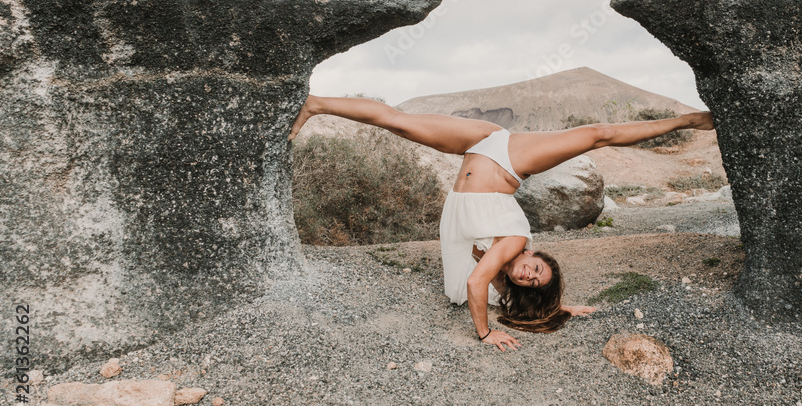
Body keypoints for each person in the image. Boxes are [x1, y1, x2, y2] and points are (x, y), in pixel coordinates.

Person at [288, 95, 715, 352]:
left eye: (531, 281)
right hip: (510, 160)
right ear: (533, 252)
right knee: (597, 135)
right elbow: (478, 284)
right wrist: (483, 334)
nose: (528, 273)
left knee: (396, 122)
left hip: (480, 144)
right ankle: (687, 121)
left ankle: (317, 103)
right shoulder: (511, 244)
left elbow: (489, 288)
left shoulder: (497, 274)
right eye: (537, 267)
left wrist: (555, 308)